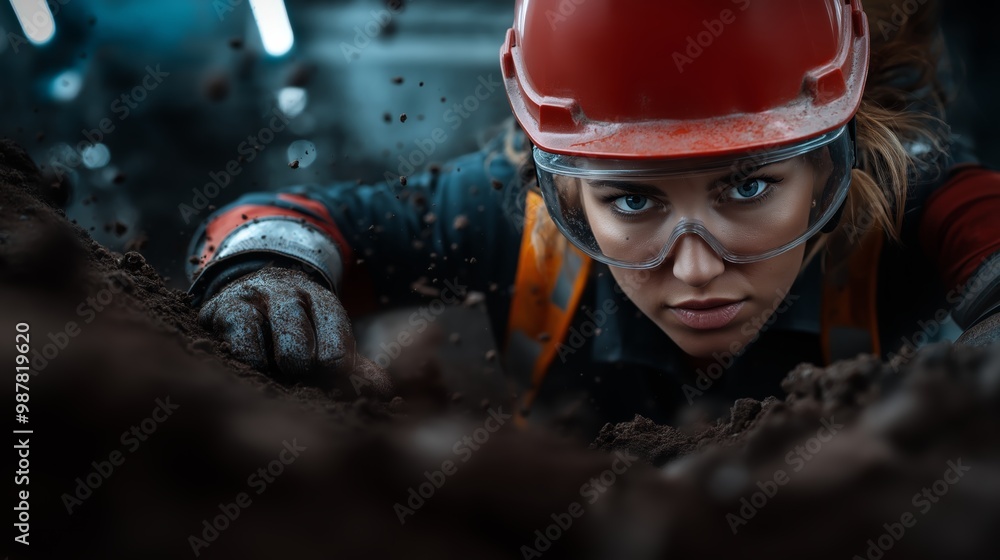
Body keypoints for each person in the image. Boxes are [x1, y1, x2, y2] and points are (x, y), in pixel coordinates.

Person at [187, 0, 1000, 434]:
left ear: (836, 161)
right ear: (562, 188)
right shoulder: (499, 212)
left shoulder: (908, 199)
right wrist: (264, 267)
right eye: (634, 200)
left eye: (748, 189)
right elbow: (284, 217)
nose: (694, 270)